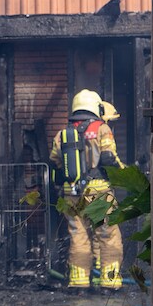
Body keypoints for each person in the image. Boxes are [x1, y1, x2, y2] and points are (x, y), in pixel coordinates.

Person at [50, 89, 124, 291]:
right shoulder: (101, 129)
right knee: (107, 235)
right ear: (95, 106)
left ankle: (79, 283)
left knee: (78, 235)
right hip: (97, 191)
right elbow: (109, 158)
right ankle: (109, 282)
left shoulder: (62, 134)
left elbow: (55, 163)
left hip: (71, 194)